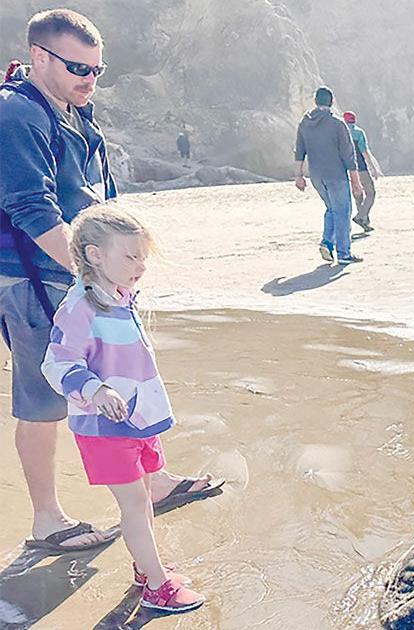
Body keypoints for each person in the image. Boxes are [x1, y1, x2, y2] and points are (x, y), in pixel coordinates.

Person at [0, 9, 219, 554]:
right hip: (34, 280)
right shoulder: (17, 115)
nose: (90, 79)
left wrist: (115, 266)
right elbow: (31, 208)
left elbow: (94, 196)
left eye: (97, 69)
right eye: (78, 67)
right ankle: (47, 519)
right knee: (45, 396)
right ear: (39, 57)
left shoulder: (74, 110)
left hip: (82, 274)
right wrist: (93, 276)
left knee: (125, 370)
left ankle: (153, 480)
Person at [42, 205, 205, 613]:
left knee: (143, 498)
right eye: (131, 256)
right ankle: (157, 587)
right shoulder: (79, 307)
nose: (141, 266)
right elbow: (57, 362)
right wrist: (94, 389)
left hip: (137, 419)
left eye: (143, 257)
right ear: (95, 255)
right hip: (106, 428)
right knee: (133, 504)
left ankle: (146, 569)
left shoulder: (119, 295)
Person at [294, 86, 366, 263]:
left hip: (316, 176)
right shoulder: (338, 124)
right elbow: (349, 157)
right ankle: (343, 253)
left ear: (315, 101)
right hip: (336, 175)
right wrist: (356, 183)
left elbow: (299, 151)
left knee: (332, 209)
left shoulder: (304, 123)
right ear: (332, 102)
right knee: (342, 212)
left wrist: (299, 176)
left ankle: (327, 243)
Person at [343, 111, 383, 232]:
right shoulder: (358, 132)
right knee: (370, 193)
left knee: (358, 195)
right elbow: (364, 151)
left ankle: (364, 222)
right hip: (360, 168)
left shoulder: (340, 132)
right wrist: (373, 168)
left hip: (346, 170)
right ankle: (361, 216)